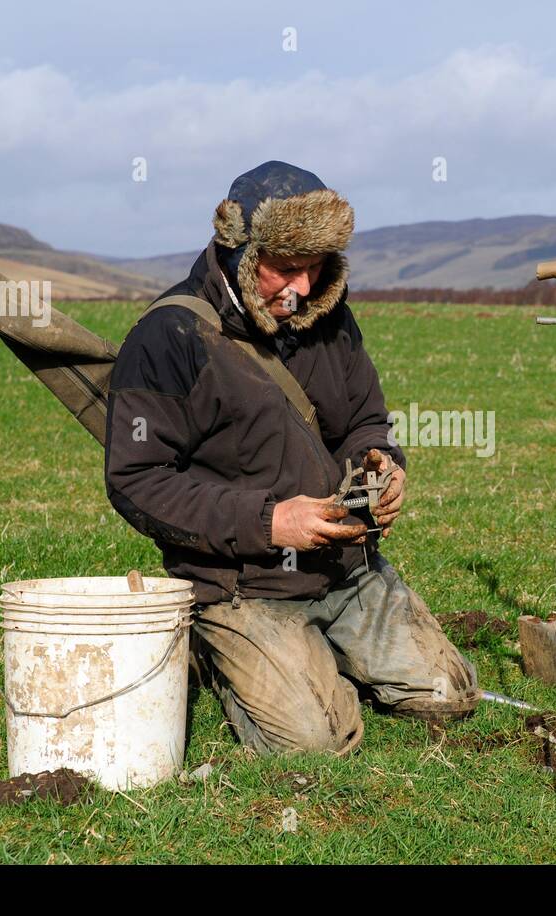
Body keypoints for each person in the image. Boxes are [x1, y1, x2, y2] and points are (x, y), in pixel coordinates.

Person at [103, 160, 479, 755]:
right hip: (241, 585)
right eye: (284, 268)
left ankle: (320, 653)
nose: (301, 289)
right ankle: (215, 652)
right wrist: (270, 522)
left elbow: (364, 419)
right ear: (238, 253)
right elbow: (137, 481)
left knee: (449, 691)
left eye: (314, 268)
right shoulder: (169, 337)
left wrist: (381, 460)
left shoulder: (327, 316)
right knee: (318, 740)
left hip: (343, 568)